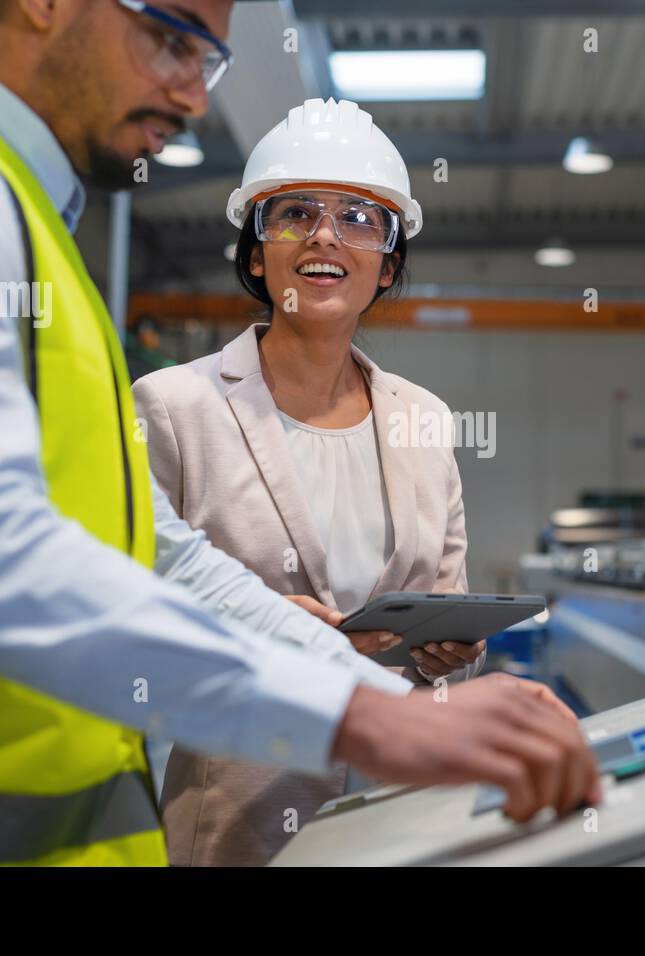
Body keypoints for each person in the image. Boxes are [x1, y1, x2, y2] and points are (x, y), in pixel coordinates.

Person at [0, 0, 598, 866]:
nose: (191, 96)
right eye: (170, 35)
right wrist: (364, 717)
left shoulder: (32, 239)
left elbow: (160, 556)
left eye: (205, 56)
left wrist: (390, 703)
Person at [134, 97, 489, 864]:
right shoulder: (175, 407)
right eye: (295, 213)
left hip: (405, 808)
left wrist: (453, 650)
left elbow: (451, 605)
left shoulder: (423, 417)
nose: (326, 235)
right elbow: (127, 616)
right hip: (240, 821)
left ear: (388, 263)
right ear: (257, 253)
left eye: (361, 218)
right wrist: (258, 631)